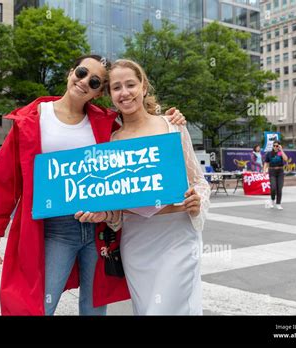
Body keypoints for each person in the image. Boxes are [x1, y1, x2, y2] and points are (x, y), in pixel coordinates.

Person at [0, 54, 186, 316]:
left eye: (95, 81)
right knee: (40, 306)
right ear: (70, 72)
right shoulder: (33, 118)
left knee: (94, 310)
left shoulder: (105, 123)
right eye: (81, 72)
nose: (84, 81)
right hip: (55, 230)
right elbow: (5, 176)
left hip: (98, 230)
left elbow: (139, 131)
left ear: (99, 93)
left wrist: (169, 119)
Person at [75, 59, 210, 315]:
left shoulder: (172, 126)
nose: (124, 93)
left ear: (144, 86)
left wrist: (197, 200)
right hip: (137, 241)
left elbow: (198, 181)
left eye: (130, 84)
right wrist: (101, 214)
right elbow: (117, 208)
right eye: (116, 87)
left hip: (177, 238)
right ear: (110, 95)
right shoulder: (111, 140)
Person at [263, 141, 288, 210]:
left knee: (279, 188)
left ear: (279, 146)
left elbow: (286, 159)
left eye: (277, 146)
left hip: (280, 171)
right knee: (273, 187)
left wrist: (281, 150)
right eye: (274, 145)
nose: (275, 147)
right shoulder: (269, 154)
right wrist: (264, 170)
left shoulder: (281, 153)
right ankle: (272, 200)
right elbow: (266, 162)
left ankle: (278, 203)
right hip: (272, 171)